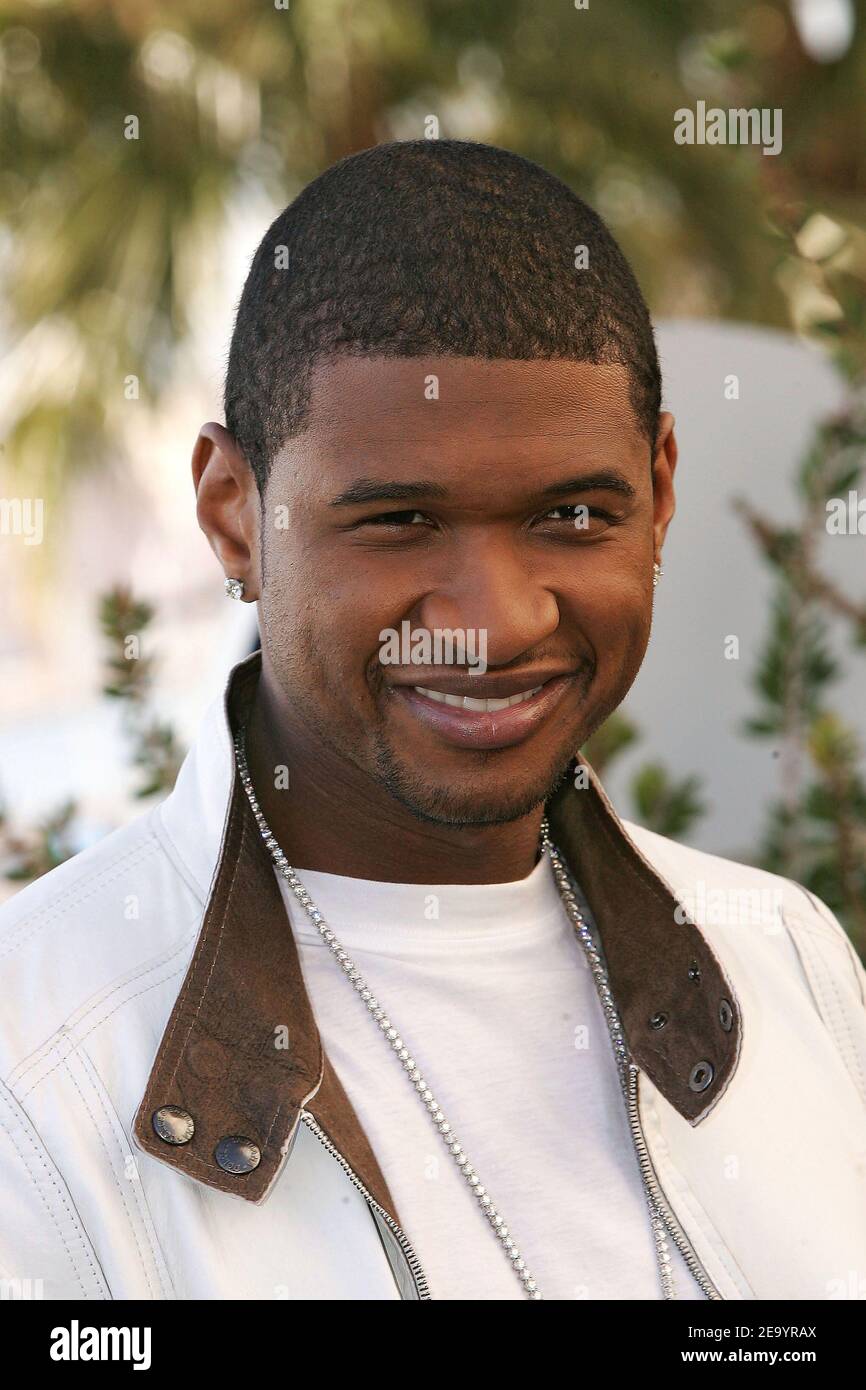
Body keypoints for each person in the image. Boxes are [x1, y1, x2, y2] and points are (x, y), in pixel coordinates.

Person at [1, 140, 864, 1302]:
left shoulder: (784, 961)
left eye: (571, 512)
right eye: (400, 520)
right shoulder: (34, 1061)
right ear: (232, 515)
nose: (493, 622)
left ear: (657, 493)